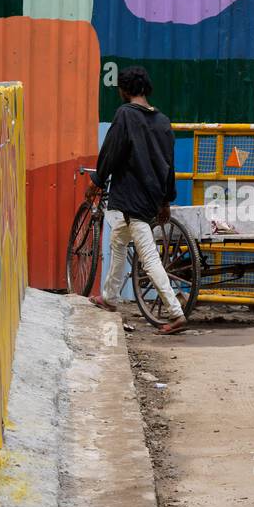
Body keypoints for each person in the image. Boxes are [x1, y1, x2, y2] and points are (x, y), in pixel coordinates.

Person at [88, 65, 187, 335]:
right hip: (150, 198)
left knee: (149, 258)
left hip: (132, 199)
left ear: (124, 90)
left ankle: (176, 314)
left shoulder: (125, 115)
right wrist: (166, 200)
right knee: (118, 243)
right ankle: (109, 297)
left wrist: (97, 181)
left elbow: (111, 151)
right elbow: (169, 165)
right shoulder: (163, 122)